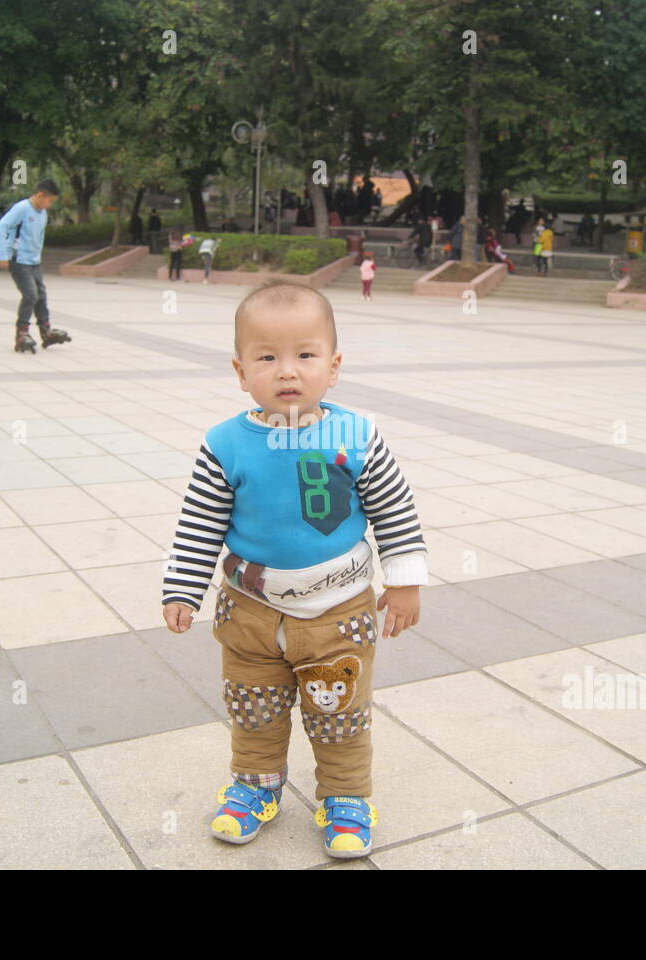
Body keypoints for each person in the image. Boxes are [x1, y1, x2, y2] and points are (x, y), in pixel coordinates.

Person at [160, 280, 428, 858]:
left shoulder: (356, 437)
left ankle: (346, 796)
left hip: (339, 608)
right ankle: (256, 785)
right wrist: (183, 588)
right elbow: (199, 522)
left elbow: (394, 508)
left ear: (332, 367)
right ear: (240, 371)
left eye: (304, 355)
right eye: (266, 357)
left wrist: (404, 581)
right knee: (252, 704)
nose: (287, 371)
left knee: (341, 711)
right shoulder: (225, 444)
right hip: (249, 609)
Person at [0, 178, 72, 354]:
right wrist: (2, 255)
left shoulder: (42, 213)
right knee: (30, 295)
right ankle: (22, 333)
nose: (49, 205)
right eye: (49, 201)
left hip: (34, 261)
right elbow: (2, 227)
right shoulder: (22, 208)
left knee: (41, 295)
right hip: (19, 260)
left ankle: (46, 331)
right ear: (40, 195)